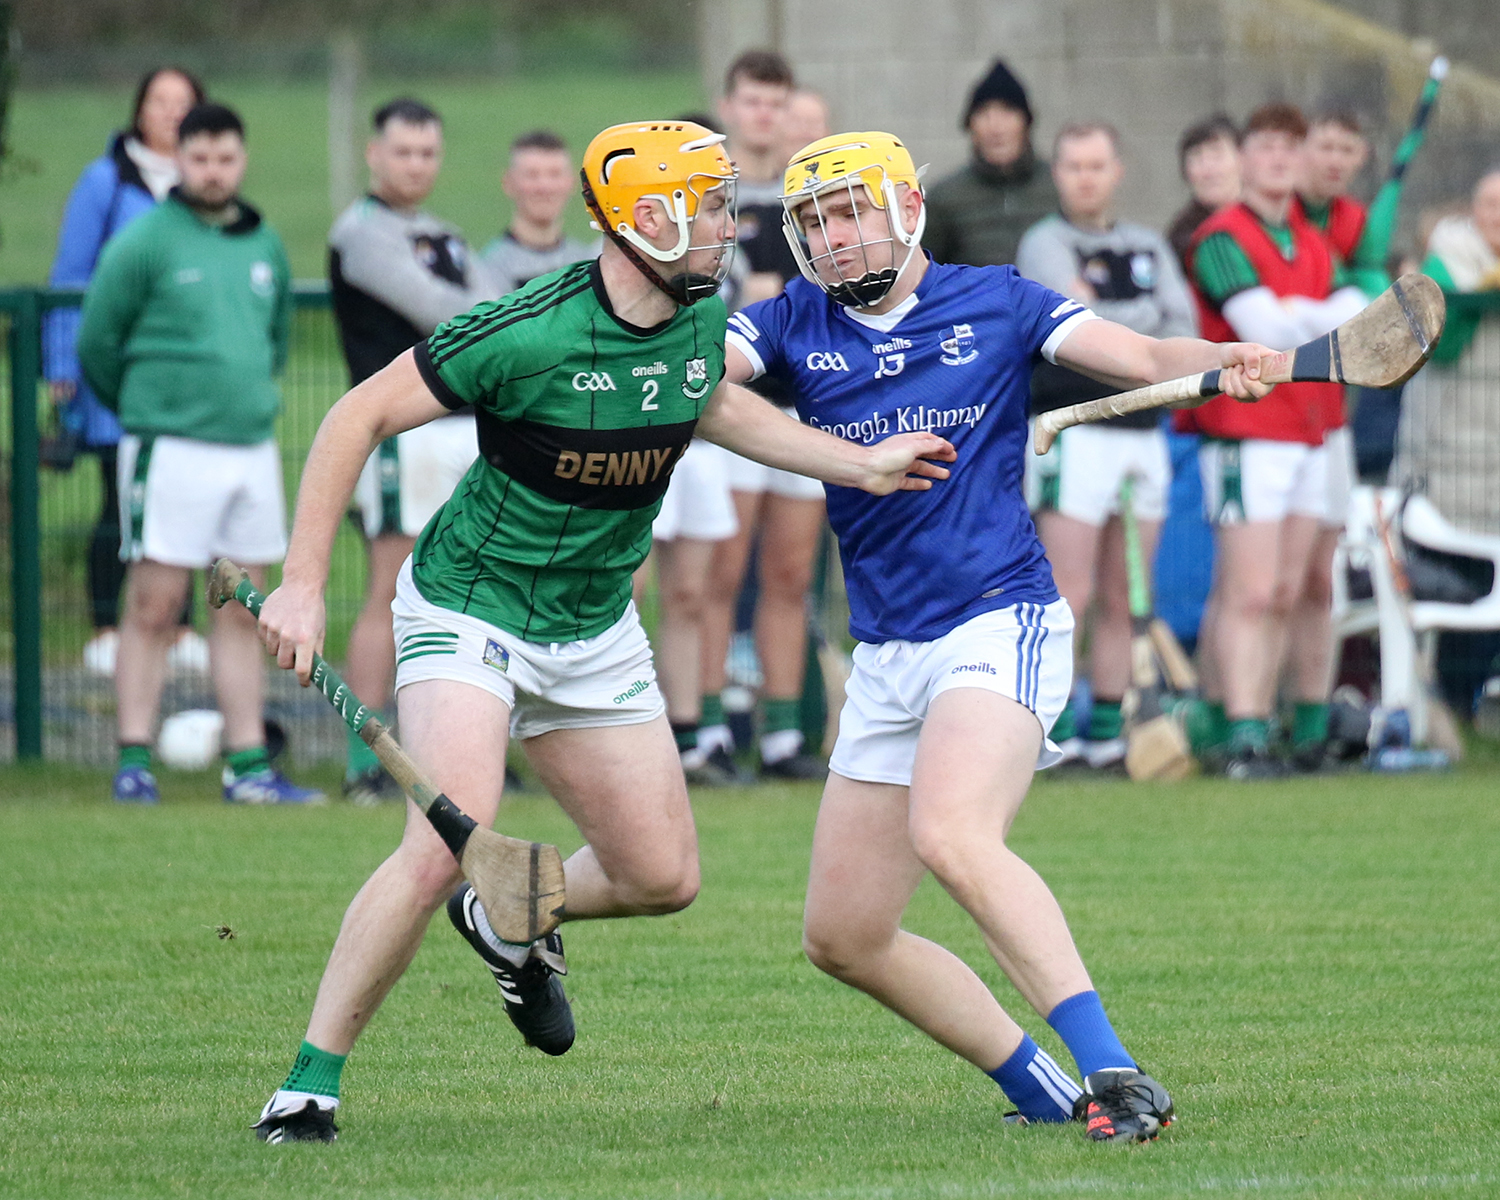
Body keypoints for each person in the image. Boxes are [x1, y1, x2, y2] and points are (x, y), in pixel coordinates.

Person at [248, 119, 951, 1144]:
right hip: (469, 607)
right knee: (447, 841)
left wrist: (859, 462)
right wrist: (302, 584)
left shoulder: (702, 324)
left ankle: (506, 917)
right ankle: (309, 1085)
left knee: (662, 877)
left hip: (592, 625)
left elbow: (710, 408)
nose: (725, 228)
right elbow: (355, 415)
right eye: (707, 209)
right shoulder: (522, 330)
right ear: (645, 218)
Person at [724, 130, 1272, 1141]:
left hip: (996, 617)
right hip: (888, 652)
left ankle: (1114, 1074)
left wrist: (1224, 360)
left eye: (848, 212)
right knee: (842, 936)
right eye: (812, 222)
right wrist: (845, 460)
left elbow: (1147, 356)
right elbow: (698, 387)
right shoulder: (792, 322)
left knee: (953, 834)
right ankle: (1038, 1088)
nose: (833, 239)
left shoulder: (1001, 300)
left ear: (904, 210)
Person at [77, 102, 321, 806]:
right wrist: (149, 407)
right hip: (169, 448)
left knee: (244, 607)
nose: (213, 172)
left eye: (225, 159)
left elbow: (274, 340)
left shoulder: (265, 242)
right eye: (200, 159)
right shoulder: (146, 240)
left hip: (248, 449)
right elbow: (98, 340)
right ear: (180, 160)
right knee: (153, 603)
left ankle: (247, 767)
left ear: (241, 161)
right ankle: (133, 759)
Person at [1176, 103, 1366, 777]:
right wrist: (1309, 323)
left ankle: (1295, 726)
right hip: (1245, 433)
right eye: (1265, 148)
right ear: (1243, 158)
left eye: (1292, 147)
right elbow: (1259, 325)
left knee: (1291, 589)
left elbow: (1350, 317)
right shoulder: (1221, 237)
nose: (1281, 160)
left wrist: (1300, 320)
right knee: (1252, 590)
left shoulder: (1313, 243)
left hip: (1310, 430)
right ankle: (1243, 729)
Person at [329, 97, 501, 804]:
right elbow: (453, 315)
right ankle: (361, 760)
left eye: (428, 153)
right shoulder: (361, 232)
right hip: (403, 434)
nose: (416, 165)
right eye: (403, 152)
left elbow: (492, 304)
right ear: (374, 154)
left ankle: (457, 754)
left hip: (466, 431)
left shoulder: (445, 233)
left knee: (469, 595)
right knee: (387, 591)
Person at [1016, 122, 1197, 768]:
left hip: (1144, 433)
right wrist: (1138, 314)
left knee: (1128, 593)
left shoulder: (1147, 244)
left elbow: (1185, 327)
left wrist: (1116, 314)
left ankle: (1106, 732)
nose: (1086, 177)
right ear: (1057, 173)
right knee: (1070, 591)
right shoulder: (1045, 241)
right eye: (1073, 166)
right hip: (1075, 427)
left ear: (1118, 170)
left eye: (1097, 165)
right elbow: (1073, 320)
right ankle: (1053, 729)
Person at [45, 66, 207, 677]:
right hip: (118, 371)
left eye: (182, 103)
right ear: (139, 108)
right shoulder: (104, 183)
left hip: (186, 376)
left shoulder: (204, 184)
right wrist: (62, 364)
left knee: (181, 499)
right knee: (119, 496)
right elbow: (71, 275)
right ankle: (107, 627)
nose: (169, 113)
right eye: (158, 101)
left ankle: (180, 627)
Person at [699, 49, 830, 780]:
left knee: (789, 574)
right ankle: (711, 727)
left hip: (802, 411)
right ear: (728, 106)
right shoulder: (710, 197)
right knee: (722, 573)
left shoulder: (806, 204)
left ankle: (782, 737)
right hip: (730, 411)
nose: (763, 116)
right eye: (751, 101)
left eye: (775, 103)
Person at [924, 59, 1058, 269]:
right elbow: (926, 273)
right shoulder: (944, 199)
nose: (995, 127)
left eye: (1007, 112)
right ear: (970, 127)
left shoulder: (1060, 185)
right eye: (983, 114)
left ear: (1026, 122)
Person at [481, 130, 595, 294]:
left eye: (555, 174)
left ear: (572, 182)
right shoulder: (489, 269)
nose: (544, 187)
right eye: (532, 175)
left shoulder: (586, 263)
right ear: (508, 182)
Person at [1165, 115, 1241, 272]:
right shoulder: (1183, 239)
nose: (1208, 170)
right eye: (1196, 158)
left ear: (1243, 159)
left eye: (1217, 155)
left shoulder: (1274, 222)